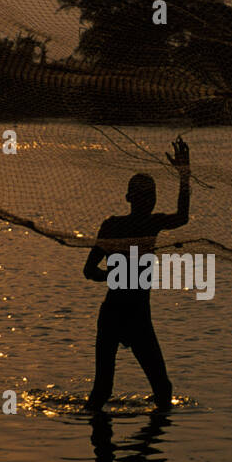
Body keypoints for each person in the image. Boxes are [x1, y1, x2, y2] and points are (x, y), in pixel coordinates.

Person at [83, 136, 191, 410]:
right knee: (105, 390)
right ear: (130, 198)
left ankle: (142, 449)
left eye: (151, 196)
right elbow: (88, 270)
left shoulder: (147, 225)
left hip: (135, 316)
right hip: (120, 314)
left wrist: (184, 174)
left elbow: (182, 217)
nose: (148, 201)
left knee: (159, 389)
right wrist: (114, 276)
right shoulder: (118, 226)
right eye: (143, 196)